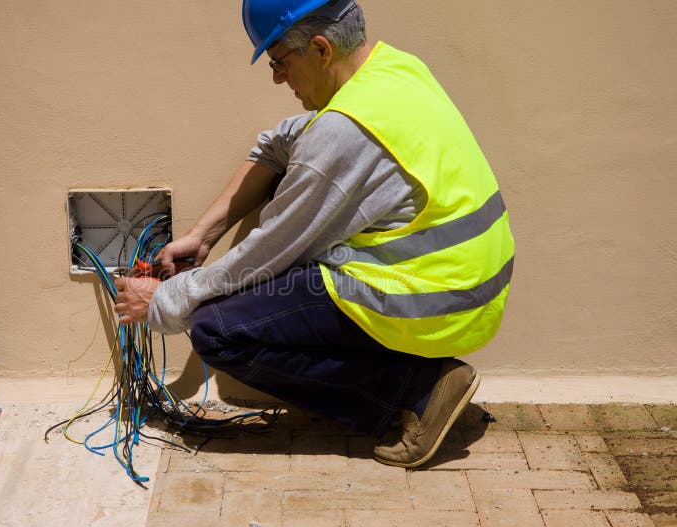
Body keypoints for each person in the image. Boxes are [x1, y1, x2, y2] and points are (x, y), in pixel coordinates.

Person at [113, 0, 514, 468]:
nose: (277, 77)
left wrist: (164, 301)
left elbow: (268, 252)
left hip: (431, 299)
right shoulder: (395, 70)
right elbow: (279, 142)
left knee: (215, 330)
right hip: (468, 286)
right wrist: (204, 235)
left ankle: (419, 393)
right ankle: (412, 382)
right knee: (268, 280)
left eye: (280, 61)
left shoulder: (344, 134)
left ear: (321, 49)